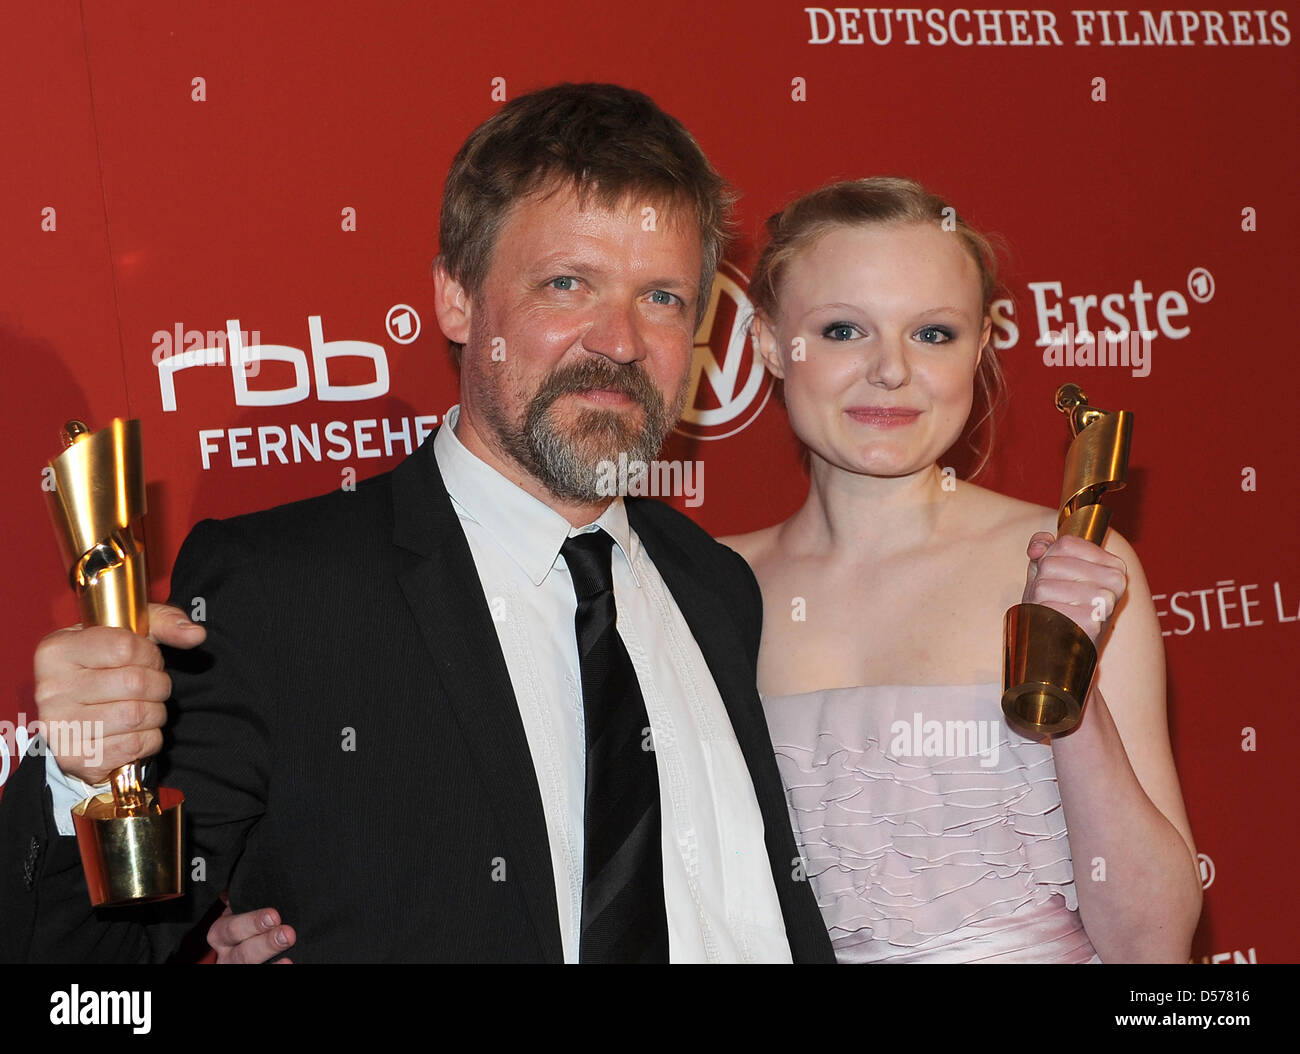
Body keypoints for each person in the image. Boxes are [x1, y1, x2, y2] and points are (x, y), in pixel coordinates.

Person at [0, 83, 835, 964]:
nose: (621, 340)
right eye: (567, 283)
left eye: (662, 298)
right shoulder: (278, 593)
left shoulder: (715, 587)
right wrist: (82, 778)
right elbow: (81, 978)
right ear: (458, 300)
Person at [717, 177, 1203, 963]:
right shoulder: (705, 589)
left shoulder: (1073, 562)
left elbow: (1151, 944)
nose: (891, 371)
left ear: (980, 347)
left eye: (933, 334)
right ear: (771, 343)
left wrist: (1068, 687)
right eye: (844, 329)